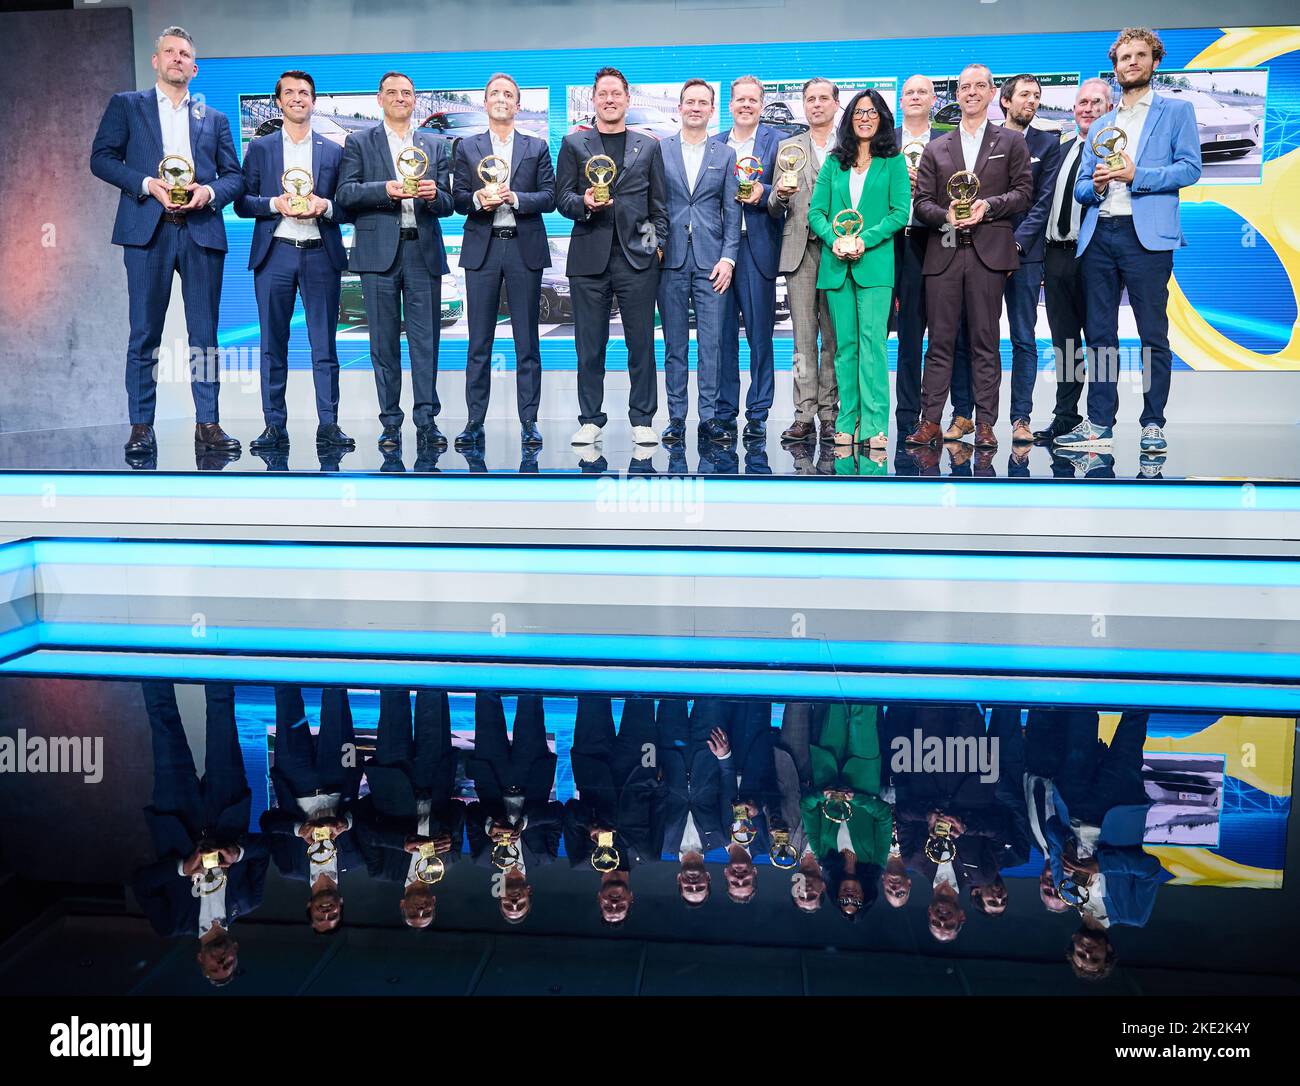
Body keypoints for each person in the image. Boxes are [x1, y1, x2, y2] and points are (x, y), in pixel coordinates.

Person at [90, 25, 243, 460]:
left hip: (201, 231)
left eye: (185, 54)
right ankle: (141, 427)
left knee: (206, 337)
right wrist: (145, 183)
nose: (177, 58)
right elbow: (101, 158)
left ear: (194, 67)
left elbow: (234, 177)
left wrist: (209, 192)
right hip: (147, 230)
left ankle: (208, 424)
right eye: (169, 52)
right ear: (156, 61)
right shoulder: (127, 105)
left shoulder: (214, 119)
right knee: (144, 335)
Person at [1056, 26, 1202, 455]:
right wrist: (1098, 185)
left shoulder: (1176, 112)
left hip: (1148, 240)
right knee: (1099, 335)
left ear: (1154, 62)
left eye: (1140, 55)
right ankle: (1099, 421)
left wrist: (1138, 176)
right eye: (1124, 57)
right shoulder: (1102, 123)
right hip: (1100, 233)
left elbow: (1190, 169)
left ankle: (1153, 422)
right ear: (1115, 66)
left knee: (1153, 334)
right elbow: (1082, 187)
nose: (1131, 63)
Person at [906, 64, 1033, 451]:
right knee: (940, 342)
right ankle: (930, 421)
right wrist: (946, 214)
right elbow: (923, 201)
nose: (972, 92)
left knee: (985, 342)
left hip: (989, 253)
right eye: (965, 87)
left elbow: (1024, 193)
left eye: (980, 86)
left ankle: (986, 424)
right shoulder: (936, 147)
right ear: (956, 95)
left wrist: (988, 206)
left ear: (993, 93)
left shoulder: (1011, 142)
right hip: (943, 250)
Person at [235, 70, 353, 455]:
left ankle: (329, 424)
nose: (298, 98)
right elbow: (242, 202)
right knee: (273, 346)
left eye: (304, 92)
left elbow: (348, 205)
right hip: (276, 253)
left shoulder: (335, 151)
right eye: (290, 92)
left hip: (321, 253)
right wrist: (274, 203)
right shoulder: (261, 148)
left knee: (324, 347)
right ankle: (274, 426)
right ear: (279, 100)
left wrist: (327, 206)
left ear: (314, 101)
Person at [335, 71, 454, 453]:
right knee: (383, 345)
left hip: (423, 252)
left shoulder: (434, 145)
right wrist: (384, 190)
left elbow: (450, 205)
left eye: (407, 93)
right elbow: (345, 195)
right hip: (377, 254)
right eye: (393, 93)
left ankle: (426, 422)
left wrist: (435, 195)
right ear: (379, 99)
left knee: (426, 343)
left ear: (415, 99)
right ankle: (390, 423)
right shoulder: (358, 142)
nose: (400, 98)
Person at [556, 67, 668, 449]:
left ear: (627, 99)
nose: (609, 99)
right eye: (602, 93)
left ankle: (642, 419)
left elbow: (659, 207)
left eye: (616, 94)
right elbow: (562, 198)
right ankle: (590, 419)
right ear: (593, 99)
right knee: (589, 345)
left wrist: (656, 247)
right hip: (589, 258)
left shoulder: (648, 145)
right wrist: (583, 204)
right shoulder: (575, 145)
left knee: (641, 344)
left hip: (637, 260)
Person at [131, 683, 268, 986]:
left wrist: (182, 868)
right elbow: (265, 849)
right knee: (222, 713)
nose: (221, 961)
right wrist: (238, 853)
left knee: (162, 720)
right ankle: (216, 643)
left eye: (215, 967)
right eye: (228, 964)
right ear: (236, 949)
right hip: (227, 808)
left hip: (175, 813)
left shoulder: (171, 924)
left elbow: (141, 883)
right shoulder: (248, 900)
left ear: (201, 959)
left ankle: (152, 644)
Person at [452, 73, 556, 451]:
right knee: (479, 342)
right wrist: (480, 198)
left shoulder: (537, 146)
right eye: (495, 93)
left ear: (517, 104)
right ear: (485, 102)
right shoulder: (467, 147)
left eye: (508, 94)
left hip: (523, 248)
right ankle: (473, 422)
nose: (501, 99)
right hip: (483, 248)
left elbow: (550, 196)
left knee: (527, 342)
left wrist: (515, 198)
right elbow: (457, 199)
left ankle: (529, 422)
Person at [808, 88, 909, 450]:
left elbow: (900, 212)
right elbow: (816, 212)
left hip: (875, 267)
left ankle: (875, 424)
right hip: (837, 267)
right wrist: (834, 240)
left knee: (873, 347)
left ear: (881, 118)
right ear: (849, 119)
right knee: (844, 348)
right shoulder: (834, 163)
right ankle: (847, 421)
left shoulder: (893, 161)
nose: (865, 118)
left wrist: (864, 238)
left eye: (871, 112)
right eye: (858, 112)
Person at [656, 79, 739, 448]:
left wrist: (728, 258)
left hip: (712, 264)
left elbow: (732, 209)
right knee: (675, 345)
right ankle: (676, 419)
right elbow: (649, 206)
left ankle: (708, 418)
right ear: (680, 107)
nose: (695, 107)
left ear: (711, 110)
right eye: (689, 101)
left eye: (702, 102)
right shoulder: (659, 150)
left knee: (712, 345)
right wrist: (652, 248)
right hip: (668, 262)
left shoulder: (725, 154)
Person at [1034, 79, 1112, 443]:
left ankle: (1102, 421)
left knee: (1100, 341)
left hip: (1097, 256)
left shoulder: (1115, 153)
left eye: (1098, 102)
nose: (1089, 108)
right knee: (1065, 344)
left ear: (1110, 109)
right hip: (1057, 256)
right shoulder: (1061, 150)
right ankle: (1066, 416)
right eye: (1082, 102)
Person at [713, 76, 787, 444]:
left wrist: (766, 191)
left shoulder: (779, 143)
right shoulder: (716, 144)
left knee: (761, 337)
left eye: (752, 100)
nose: (746, 105)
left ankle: (758, 413)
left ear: (761, 104)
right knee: (722, 337)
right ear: (730, 104)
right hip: (720, 255)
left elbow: (791, 190)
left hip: (758, 248)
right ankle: (725, 412)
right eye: (739, 99)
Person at [353, 689, 464, 930]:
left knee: (393, 698)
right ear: (434, 902)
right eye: (427, 911)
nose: (422, 908)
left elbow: (363, 831)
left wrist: (401, 843)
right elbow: (457, 809)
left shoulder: (381, 871)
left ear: (403, 905)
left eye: (415, 912)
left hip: (392, 778)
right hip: (435, 777)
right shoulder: (451, 859)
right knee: (433, 695)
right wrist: (447, 833)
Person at [258, 686, 364, 934]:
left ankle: (283, 650)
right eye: (333, 915)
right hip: (341, 775)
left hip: (294, 779)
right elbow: (368, 815)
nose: (326, 911)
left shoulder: (289, 867)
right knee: (337, 701)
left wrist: (298, 830)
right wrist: (346, 823)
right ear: (341, 904)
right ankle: (336, 652)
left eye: (320, 915)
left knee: (287, 703)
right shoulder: (355, 859)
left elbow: (268, 823)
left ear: (309, 906)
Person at [771, 78, 841, 446]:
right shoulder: (787, 147)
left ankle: (830, 415)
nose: (816, 105)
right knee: (802, 341)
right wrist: (780, 196)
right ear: (803, 105)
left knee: (832, 339)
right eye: (810, 99)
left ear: (835, 103)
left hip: (837, 253)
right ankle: (804, 414)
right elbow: (771, 204)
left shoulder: (849, 148)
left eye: (823, 99)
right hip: (799, 252)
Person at [996, 75, 1062, 444]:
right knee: (980, 338)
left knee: (1023, 339)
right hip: (985, 252)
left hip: (1026, 254)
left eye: (1036, 96)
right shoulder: (986, 141)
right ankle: (977, 418)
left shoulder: (1047, 143)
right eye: (1024, 95)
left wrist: (1017, 244)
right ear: (1005, 101)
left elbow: (1044, 201)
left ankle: (1020, 418)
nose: (1031, 101)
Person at [465, 692, 563, 923]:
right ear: (529, 894)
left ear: (499, 896)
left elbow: (469, 814)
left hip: (491, 776)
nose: (515, 900)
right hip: (532, 776)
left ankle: (487, 657)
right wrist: (527, 822)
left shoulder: (481, 857)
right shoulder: (545, 856)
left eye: (509, 904)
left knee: (486, 702)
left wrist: (489, 826)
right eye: (521, 904)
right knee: (530, 703)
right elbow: (558, 813)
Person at [799, 702, 891, 920]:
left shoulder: (823, 854)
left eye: (844, 901)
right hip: (863, 772)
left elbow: (807, 807)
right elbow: (884, 816)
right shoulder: (876, 861)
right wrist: (857, 799)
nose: (849, 896)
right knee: (864, 709)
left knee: (834, 706)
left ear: (835, 895)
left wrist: (823, 795)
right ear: (866, 896)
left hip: (828, 769)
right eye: (856, 901)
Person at [892, 75, 943, 439]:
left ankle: (931, 415)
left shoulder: (948, 139)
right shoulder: (884, 141)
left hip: (936, 241)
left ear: (933, 99)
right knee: (900, 335)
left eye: (922, 91)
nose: (915, 97)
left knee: (937, 334)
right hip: (893, 242)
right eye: (909, 92)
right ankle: (901, 413)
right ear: (900, 100)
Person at [656, 699, 735, 906]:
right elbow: (728, 792)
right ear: (708, 878)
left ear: (678, 880)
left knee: (672, 681)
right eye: (699, 888)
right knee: (710, 682)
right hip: (709, 748)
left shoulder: (659, 843)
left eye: (688, 888)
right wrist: (724, 757)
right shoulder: (721, 838)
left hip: (669, 747)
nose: (694, 884)